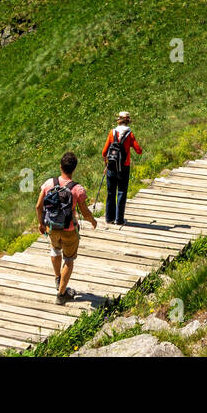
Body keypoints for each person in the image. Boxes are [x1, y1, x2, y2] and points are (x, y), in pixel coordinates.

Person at [37, 151, 97, 304]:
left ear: (60, 166)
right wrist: (92, 221)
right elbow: (85, 212)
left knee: (55, 250)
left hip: (52, 227)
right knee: (69, 260)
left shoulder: (49, 183)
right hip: (69, 230)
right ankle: (61, 294)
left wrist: (41, 223)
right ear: (74, 169)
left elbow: (38, 206)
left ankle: (58, 279)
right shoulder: (77, 189)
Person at [101, 111, 142, 226]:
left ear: (118, 121)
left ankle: (109, 218)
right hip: (124, 167)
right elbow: (139, 151)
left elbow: (104, 152)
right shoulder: (130, 134)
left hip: (112, 167)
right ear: (128, 121)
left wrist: (106, 165)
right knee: (122, 192)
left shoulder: (112, 133)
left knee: (111, 192)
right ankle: (119, 219)